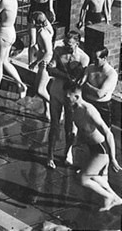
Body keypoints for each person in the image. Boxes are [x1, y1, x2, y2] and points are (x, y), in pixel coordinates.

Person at [63, 81, 122, 212]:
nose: (65, 100)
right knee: (95, 176)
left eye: (67, 97)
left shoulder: (89, 110)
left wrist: (113, 158)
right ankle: (115, 198)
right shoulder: (74, 108)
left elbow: (108, 133)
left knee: (82, 179)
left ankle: (111, 197)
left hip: (102, 150)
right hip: (93, 148)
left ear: (76, 97)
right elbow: (76, 130)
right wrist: (69, 147)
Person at [46, 30, 89, 169]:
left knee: (70, 126)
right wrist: (65, 75)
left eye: (70, 44)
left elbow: (79, 79)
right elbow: (50, 69)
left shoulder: (83, 58)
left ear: (77, 43)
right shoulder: (59, 51)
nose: (67, 46)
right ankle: (50, 155)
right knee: (54, 124)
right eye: (65, 43)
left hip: (72, 95)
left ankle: (68, 151)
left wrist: (59, 72)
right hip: (57, 90)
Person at [82, 47, 118, 128]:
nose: (93, 61)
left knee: (104, 131)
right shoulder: (90, 68)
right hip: (88, 103)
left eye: (96, 59)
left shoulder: (111, 74)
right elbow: (80, 84)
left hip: (102, 107)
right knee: (85, 130)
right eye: (93, 58)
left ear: (104, 58)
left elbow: (99, 94)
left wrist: (86, 85)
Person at [28, 11, 54, 121]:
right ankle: (47, 112)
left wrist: (35, 62)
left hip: (45, 62)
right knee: (41, 87)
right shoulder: (45, 28)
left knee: (40, 90)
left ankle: (56, 106)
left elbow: (48, 52)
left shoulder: (43, 33)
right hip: (43, 61)